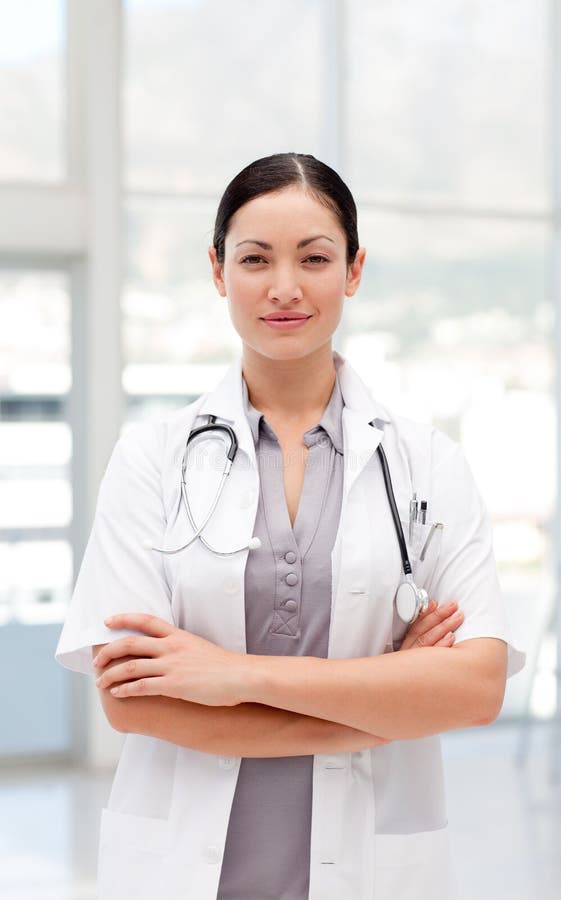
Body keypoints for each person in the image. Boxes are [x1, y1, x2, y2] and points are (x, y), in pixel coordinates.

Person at [55, 152, 524, 900]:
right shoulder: (151, 460)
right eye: (254, 259)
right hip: (183, 869)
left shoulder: (429, 464)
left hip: (371, 868)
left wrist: (235, 676)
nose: (284, 287)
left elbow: (474, 688)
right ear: (218, 271)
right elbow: (131, 698)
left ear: (353, 269)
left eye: (313, 258)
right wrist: (382, 705)